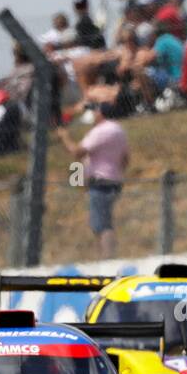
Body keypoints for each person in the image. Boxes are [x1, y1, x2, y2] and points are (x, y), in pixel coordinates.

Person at [56, 103, 129, 259]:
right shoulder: (119, 130)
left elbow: (78, 153)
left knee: (101, 224)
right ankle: (103, 258)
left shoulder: (100, 131)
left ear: (101, 114)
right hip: (114, 181)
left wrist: (65, 137)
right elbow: (125, 158)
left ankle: (107, 259)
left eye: (95, 112)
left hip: (100, 182)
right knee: (101, 222)